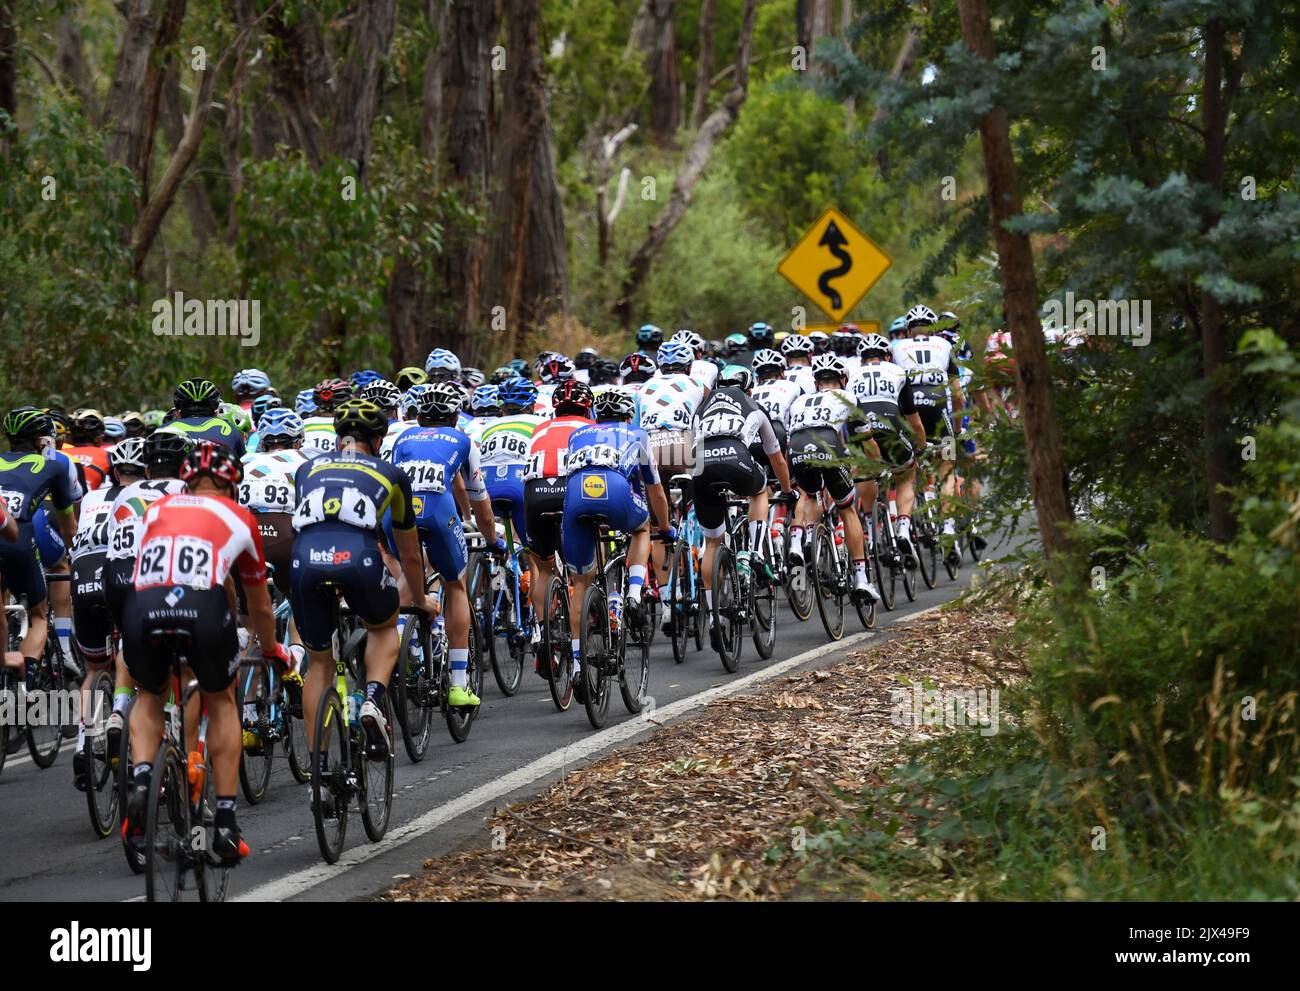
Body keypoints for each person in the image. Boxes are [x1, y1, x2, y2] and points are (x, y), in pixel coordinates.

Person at [121, 441, 288, 865]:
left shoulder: (157, 509)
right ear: (232, 485)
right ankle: (227, 822)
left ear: (187, 481)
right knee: (221, 698)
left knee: (149, 695)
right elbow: (260, 604)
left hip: (143, 608)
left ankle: (142, 780)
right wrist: (271, 649)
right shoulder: (241, 516)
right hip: (203, 609)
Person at [291, 400, 435, 771]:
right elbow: (411, 554)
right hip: (359, 560)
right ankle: (371, 698)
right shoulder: (390, 473)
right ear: (379, 439)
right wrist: (419, 601)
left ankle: (318, 766)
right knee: (384, 627)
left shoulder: (306, 469)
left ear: (339, 439)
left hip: (305, 563)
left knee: (319, 661)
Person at [388, 386, 500, 708]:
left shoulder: (402, 439)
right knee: (456, 584)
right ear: (455, 417)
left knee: (411, 573)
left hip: (396, 514)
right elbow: (481, 503)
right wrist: (492, 541)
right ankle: (458, 684)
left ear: (420, 417)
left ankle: (401, 644)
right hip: (436, 513)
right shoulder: (463, 441)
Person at [562, 389, 671, 690]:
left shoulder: (579, 434)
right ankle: (632, 595)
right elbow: (656, 491)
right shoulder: (637, 433)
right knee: (641, 528)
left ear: (597, 416)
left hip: (575, 497)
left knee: (580, 583)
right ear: (627, 416)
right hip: (614, 491)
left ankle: (576, 666)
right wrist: (666, 527)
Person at [690, 365, 795, 641]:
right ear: (749, 388)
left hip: (700, 466)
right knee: (760, 492)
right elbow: (777, 458)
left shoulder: (701, 406)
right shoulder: (754, 405)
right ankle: (755, 552)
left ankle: (714, 617)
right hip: (736, 456)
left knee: (713, 543)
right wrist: (787, 490)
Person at [0, 409, 78, 720]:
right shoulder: (53, 465)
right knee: (37, 616)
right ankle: (25, 687)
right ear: (43, 440)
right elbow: (68, 526)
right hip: (18, 539)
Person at [785, 355, 878, 602]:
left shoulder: (799, 401)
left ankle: (803, 539)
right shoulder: (847, 397)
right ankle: (861, 579)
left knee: (809, 493)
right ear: (843, 379)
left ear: (817, 383)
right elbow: (866, 441)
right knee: (847, 509)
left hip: (796, 447)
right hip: (826, 443)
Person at [522, 381, 595, 643]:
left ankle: (543, 634)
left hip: (534, 491)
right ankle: (580, 641)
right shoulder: (590, 427)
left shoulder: (539, 429)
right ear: (587, 409)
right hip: (569, 489)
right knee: (582, 575)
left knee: (543, 570)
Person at [850, 333, 927, 563]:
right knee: (907, 474)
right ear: (887, 356)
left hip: (862, 433)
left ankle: (873, 529)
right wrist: (921, 446)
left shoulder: (851, 375)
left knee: (865, 473)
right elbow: (914, 420)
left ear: (862, 358)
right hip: (890, 429)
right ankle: (903, 527)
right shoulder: (898, 371)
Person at [892, 304, 965, 549]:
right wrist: (956, 429)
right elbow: (958, 394)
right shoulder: (945, 346)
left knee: (909, 470)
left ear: (908, 330)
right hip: (937, 405)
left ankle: (905, 525)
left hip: (909, 407)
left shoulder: (897, 347)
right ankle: (947, 527)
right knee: (946, 467)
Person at [159, 378, 246, 456]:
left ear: (177, 414)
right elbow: (243, 465)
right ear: (216, 413)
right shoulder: (230, 430)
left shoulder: (163, 430)